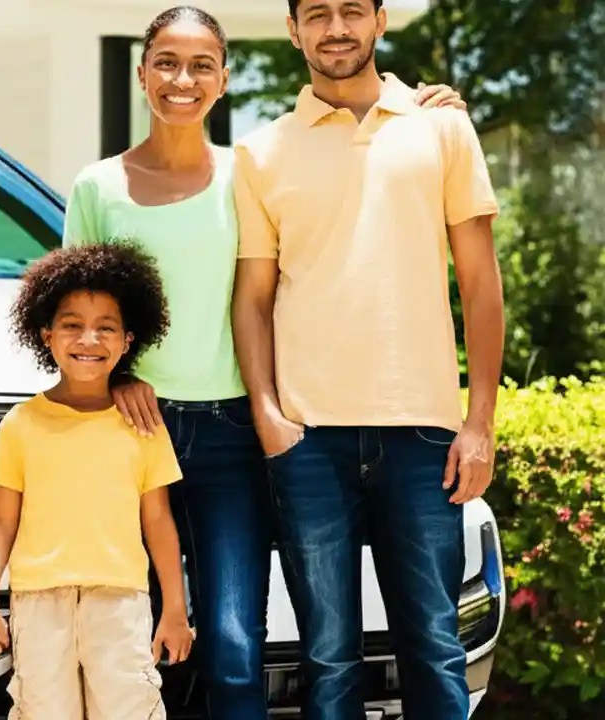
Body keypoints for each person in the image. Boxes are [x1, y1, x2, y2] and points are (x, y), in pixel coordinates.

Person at [62, 6, 468, 718]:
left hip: (234, 432)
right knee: (120, 632)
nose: (181, 80)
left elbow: (284, 272)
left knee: (232, 639)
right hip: (129, 434)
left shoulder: (247, 168)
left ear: (224, 80)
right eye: (164, 62)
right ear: (140, 74)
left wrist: (426, 107)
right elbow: (77, 316)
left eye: (200, 66)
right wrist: (119, 376)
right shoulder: (98, 187)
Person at [231, 1, 504, 718]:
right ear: (294, 30)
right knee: (327, 660)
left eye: (352, 10)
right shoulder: (262, 152)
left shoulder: (442, 127)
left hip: (424, 436)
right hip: (307, 440)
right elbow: (253, 297)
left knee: (435, 649)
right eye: (317, 13)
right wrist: (267, 414)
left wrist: (479, 422)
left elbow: (481, 283)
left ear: (381, 21)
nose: (336, 28)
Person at [0, 242, 194, 719]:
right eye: (72, 325)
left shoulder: (143, 426)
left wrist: (175, 607)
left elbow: (159, 520)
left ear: (128, 340)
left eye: (105, 328)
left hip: (121, 603)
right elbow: (1, 523)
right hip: (37, 604)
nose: (89, 339)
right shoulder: (21, 423)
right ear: (46, 335)